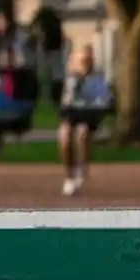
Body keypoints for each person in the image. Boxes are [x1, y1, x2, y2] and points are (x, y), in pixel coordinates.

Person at [58, 45, 112, 196]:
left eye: (88, 61)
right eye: (82, 61)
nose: (85, 65)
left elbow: (104, 101)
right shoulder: (70, 80)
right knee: (64, 135)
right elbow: (65, 102)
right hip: (73, 113)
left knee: (82, 133)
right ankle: (69, 175)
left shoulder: (98, 80)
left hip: (89, 115)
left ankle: (83, 166)